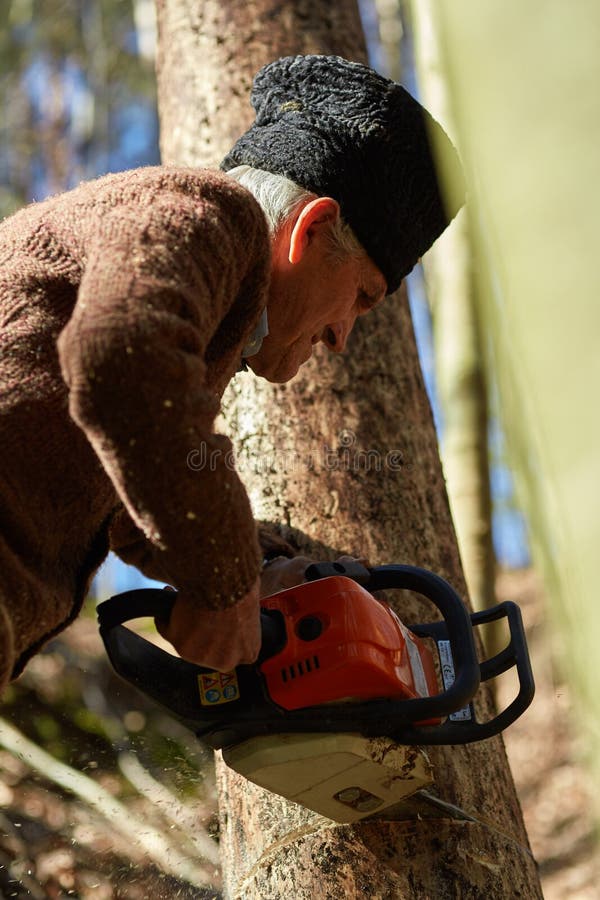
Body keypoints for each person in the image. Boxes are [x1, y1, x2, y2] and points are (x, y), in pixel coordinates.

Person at [0, 54, 463, 695]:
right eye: (361, 295)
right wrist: (226, 579)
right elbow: (122, 363)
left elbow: (130, 489)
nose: (341, 337)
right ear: (313, 228)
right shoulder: (211, 214)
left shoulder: (200, 291)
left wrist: (254, 560)